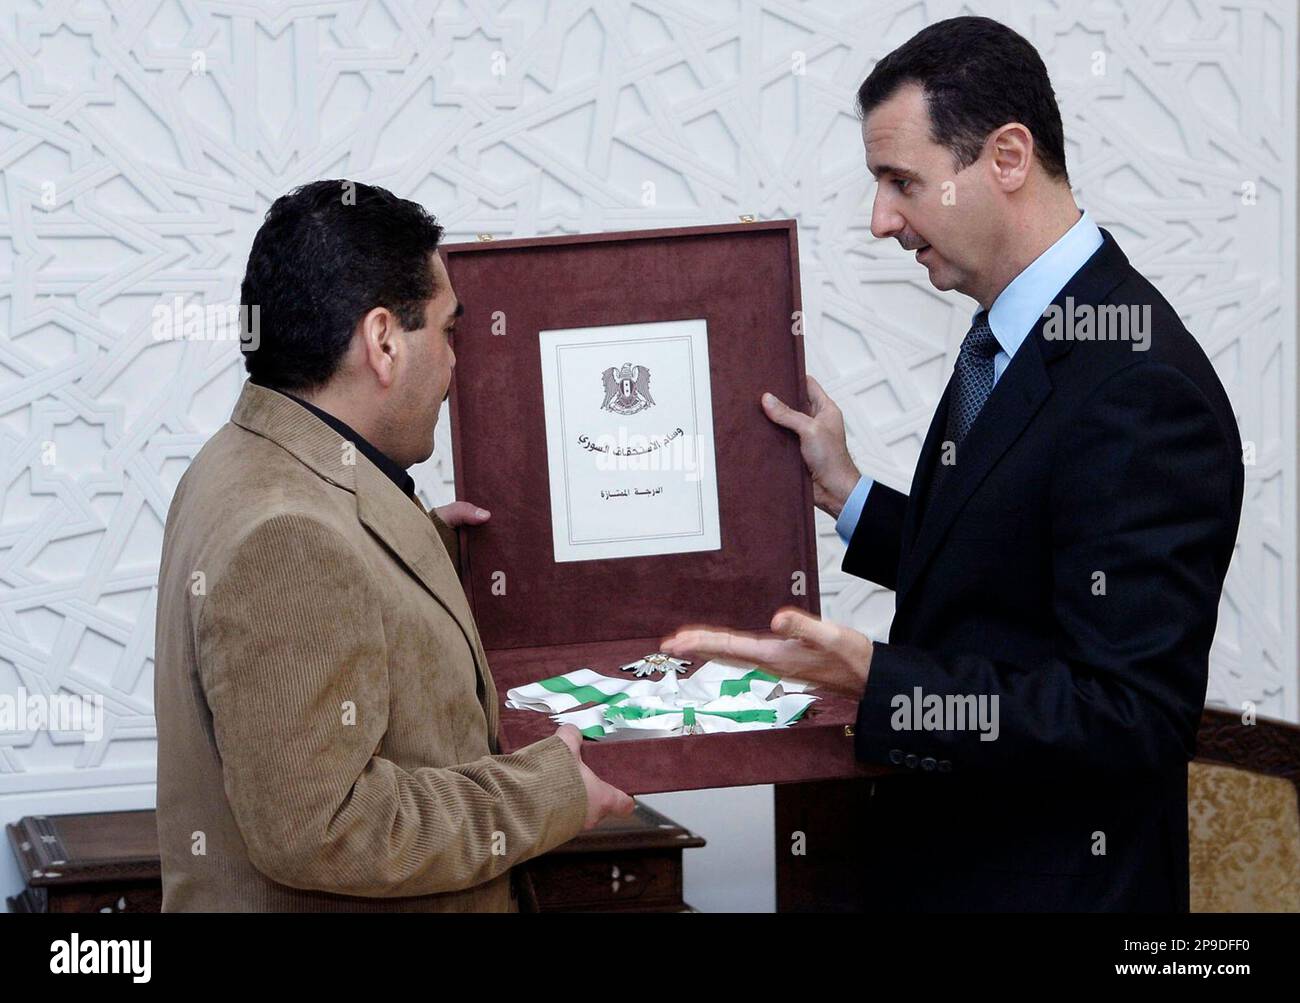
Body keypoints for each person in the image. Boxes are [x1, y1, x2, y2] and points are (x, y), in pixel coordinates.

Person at [662, 16, 1243, 911]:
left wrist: (887, 683)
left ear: (1007, 157)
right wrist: (849, 495)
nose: (881, 220)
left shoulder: (1141, 385)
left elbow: (1127, 717)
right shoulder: (1013, 332)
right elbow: (1013, 572)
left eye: (902, 183)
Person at [155, 179, 632, 912]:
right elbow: (326, 826)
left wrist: (424, 546)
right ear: (382, 341)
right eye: (447, 331)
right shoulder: (290, 538)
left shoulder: (248, 460)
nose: (453, 364)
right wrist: (548, 790)